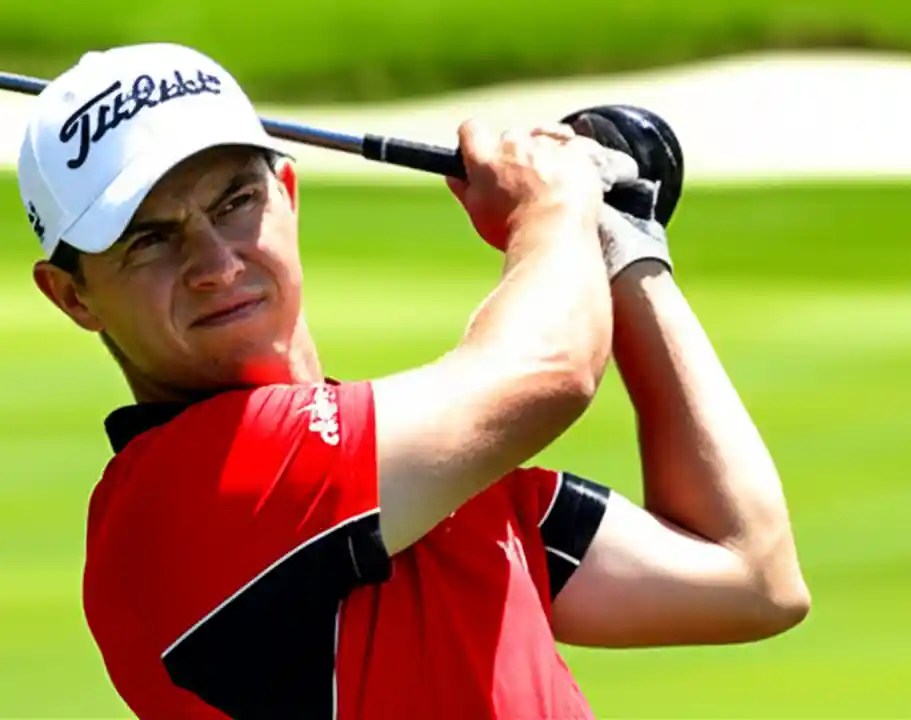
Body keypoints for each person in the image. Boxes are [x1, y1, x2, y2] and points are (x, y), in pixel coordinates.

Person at [18, 42, 809, 719]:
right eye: (151, 241)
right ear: (73, 296)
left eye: (237, 202)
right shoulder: (184, 497)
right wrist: (552, 207)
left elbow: (749, 574)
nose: (216, 264)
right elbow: (552, 369)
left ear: (288, 197)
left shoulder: (428, 478)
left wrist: (622, 242)